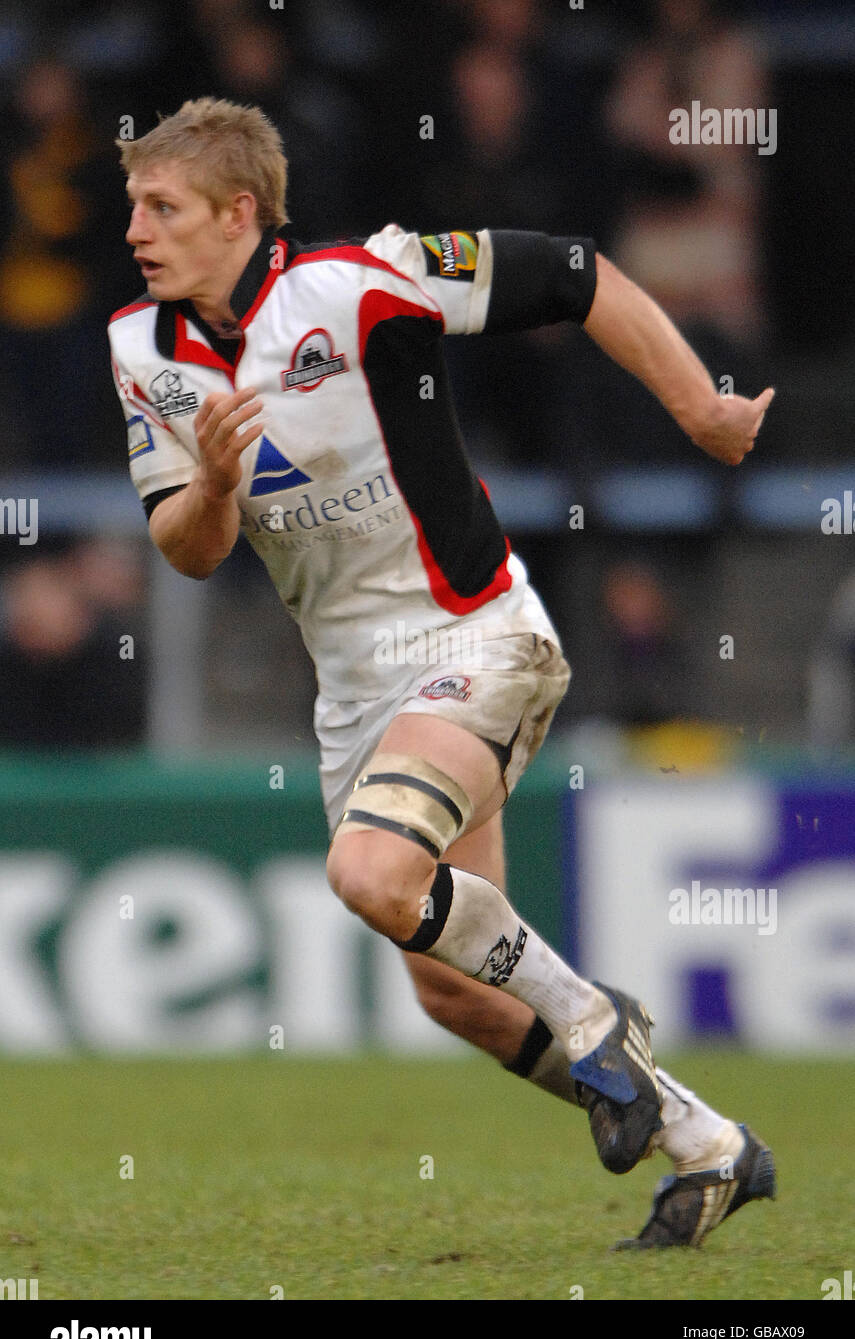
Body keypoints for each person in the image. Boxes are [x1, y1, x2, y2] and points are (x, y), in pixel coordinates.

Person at [108, 98, 776, 1249]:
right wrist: (213, 485)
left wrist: (700, 408)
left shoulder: (367, 280)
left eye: (160, 207)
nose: (135, 230)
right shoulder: (141, 349)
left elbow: (578, 274)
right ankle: (708, 1142)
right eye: (131, 206)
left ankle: (591, 1013)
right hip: (356, 694)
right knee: (452, 985)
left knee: (369, 875)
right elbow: (188, 546)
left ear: (238, 212)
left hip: (477, 640)